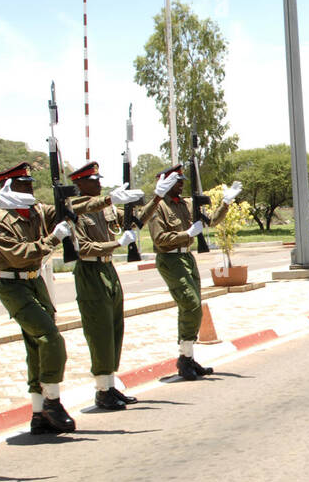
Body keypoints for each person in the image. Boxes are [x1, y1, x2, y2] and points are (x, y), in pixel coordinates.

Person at [0, 162, 113, 434]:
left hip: (35, 283)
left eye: (31, 183)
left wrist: (109, 199)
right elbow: (19, 255)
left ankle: (38, 414)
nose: (31, 187)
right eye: (24, 184)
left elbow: (71, 209)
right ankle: (52, 402)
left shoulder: (34, 211)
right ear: (8, 187)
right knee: (51, 339)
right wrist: (53, 240)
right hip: (13, 286)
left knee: (36, 348)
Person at [67, 162, 150, 410]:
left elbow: (135, 222)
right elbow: (82, 248)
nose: (99, 183)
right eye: (93, 180)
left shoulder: (105, 210)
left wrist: (156, 198)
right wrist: (116, 245)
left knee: (114, 327)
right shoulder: (74, 211)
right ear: (79, 184)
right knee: (99, 330)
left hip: (108, 269)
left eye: (99, 179)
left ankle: (110, 385)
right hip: (90, 271)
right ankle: (102, 390)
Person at [147, 164, 241, 380]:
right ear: (164, 183)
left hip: (186, 257)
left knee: (193, 306)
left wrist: (226, 203)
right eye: (176, 181)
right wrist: (186, 233)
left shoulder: (187, 204)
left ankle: (187, 357)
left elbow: (211, 222)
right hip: (170, 258)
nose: (181, 185)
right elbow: (160, 240)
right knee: (190, 303)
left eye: (182, 181)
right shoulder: (158, 208)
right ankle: (184, 358)